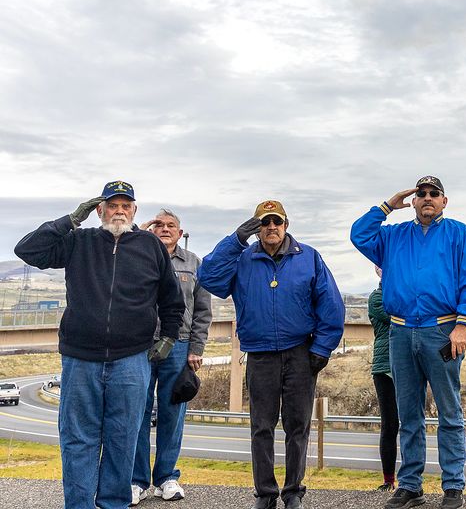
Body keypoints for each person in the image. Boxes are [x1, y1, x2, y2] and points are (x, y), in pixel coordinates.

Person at [14, 181, 184, 509]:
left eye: (126, 205)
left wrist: (169, 337)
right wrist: (69, 220)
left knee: (123, 439)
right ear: (99, 210)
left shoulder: (150, 246)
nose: (119, 211)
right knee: (79, 439)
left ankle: (114, 504)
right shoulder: (79, 241)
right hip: (80, 359)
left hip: (132, 360)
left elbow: (172, 300)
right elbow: (27, 250)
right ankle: (78, 505)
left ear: (134, 210)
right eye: (112, 205)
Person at [199, 200, 345, 509]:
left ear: (286, 225)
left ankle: (293, 492)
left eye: (276, 221)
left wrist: (321, 347)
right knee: (261, 428)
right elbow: (209, 278)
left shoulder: (309, 258)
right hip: (260, 355)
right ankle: (265, 494)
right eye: (264, 223)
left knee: (297, 426)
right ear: (256, 229)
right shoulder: (242, 259)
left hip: (300, 354)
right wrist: (235, 240)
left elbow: (330, 304)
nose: (271, 227)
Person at [351, 176, 466, 509]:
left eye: (433, 194)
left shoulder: (459, 234)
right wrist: (386, 206)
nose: (427, 198)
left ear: (444, 200)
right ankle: (410, 484)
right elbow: (359, 234)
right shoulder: (393, 236)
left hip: (441, 331)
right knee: (408, 414)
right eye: (421, 194)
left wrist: (462, 323)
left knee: (449, 410)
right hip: (400, 332)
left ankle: (453, 485)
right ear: (413, 201)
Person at [131, 209, 213, 504]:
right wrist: (136, 234)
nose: (165, 229)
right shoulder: (137, 254)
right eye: (158, 225)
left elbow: (203, 310)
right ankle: (136, 481)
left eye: (171, 226)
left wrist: (196, 348)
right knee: (136, 412)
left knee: (172, 414)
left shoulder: (193, 263)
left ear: (180, 233)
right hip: (138, 345)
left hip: (178, 345)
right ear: (149, 230)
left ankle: (167, 478)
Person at [368, 268, 399, 492]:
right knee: (390, 424)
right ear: (378, 271)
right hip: (384, 367)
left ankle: (410, 479)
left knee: (411, 424)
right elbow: (397, 316)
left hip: (409, 364)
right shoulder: (377, 298)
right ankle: (389, 480)